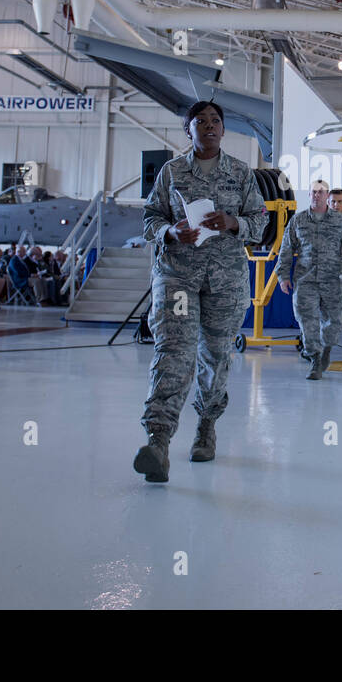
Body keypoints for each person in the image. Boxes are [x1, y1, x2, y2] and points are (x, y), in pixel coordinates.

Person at [133, 100, 268, 483]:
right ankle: (158, 440)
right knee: (174, 351)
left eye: (215, 121)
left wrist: (232, 221)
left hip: (224, 282)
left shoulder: (241, 174)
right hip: (178, 276)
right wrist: (170, 232)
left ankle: (206, 424)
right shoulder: (171, 172)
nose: (208, 126)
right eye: (200, 122)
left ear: (223, 130)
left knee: (217, 355)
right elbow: (149, 217)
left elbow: (261, 222)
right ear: (188, 131)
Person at [276, 180, 342, 379]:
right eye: (313, 192)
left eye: (321, 192)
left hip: (333, 278)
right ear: (309, 194)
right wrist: (282, 276)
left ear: (327, 195)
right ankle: (315, 357)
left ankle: (327, 348)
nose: (316, 195)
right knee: (307, 320)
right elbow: (286, 249)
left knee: (336, 321)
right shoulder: (298, 220)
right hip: (306, 279)